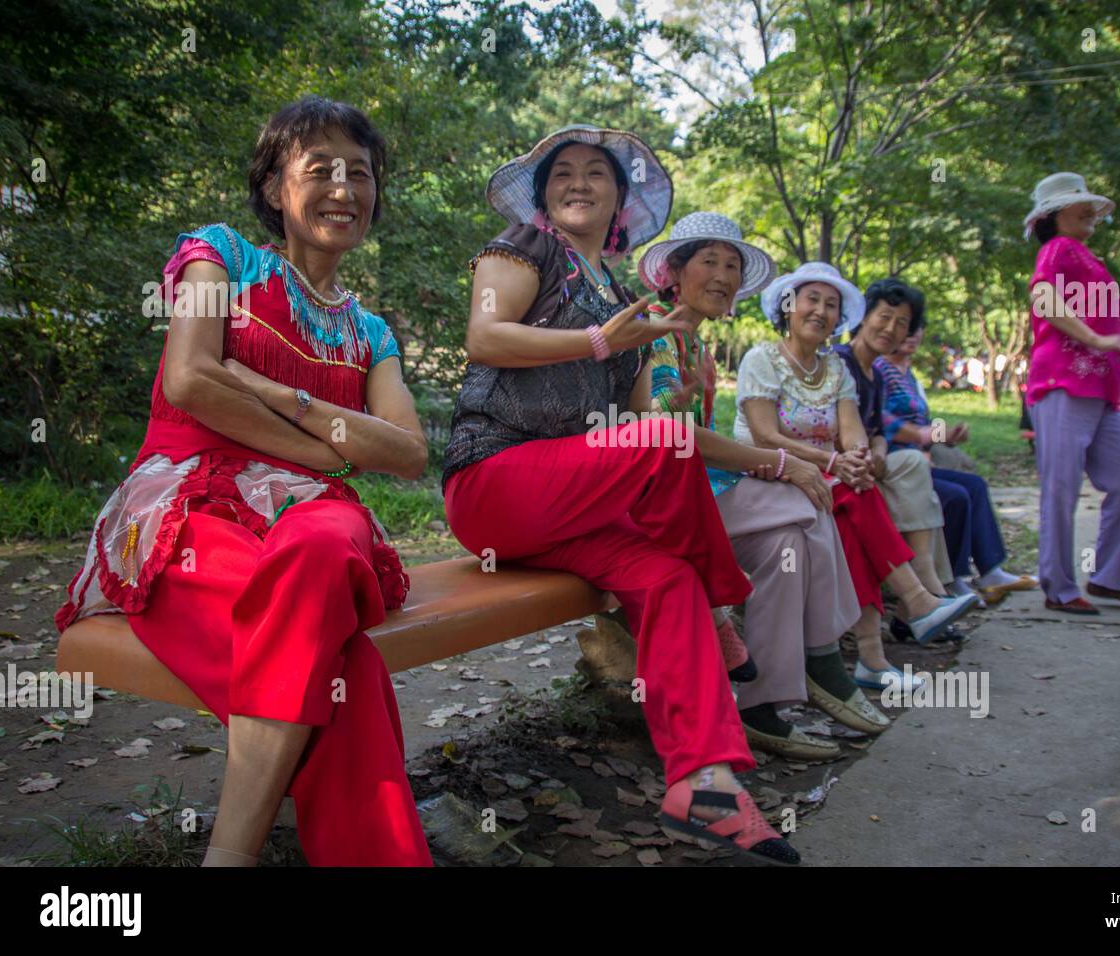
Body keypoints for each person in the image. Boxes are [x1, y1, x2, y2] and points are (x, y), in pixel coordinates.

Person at [56, 97, 433, 866]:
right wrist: (330, 445)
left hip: (311, 512)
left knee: (326, 545)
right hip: (185, 505)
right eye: (318, 168)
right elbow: (191, 379)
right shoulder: (218, 255)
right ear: (273, 187)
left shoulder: (371, 331)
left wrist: (281, 401)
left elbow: (407, 452)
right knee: (345, 667)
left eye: (359, 174)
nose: (343, 188)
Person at [441, 127, 797, 864]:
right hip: (493, 483)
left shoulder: (625, 301)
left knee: (665, 578)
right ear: (542, 196)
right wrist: (602, 342)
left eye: (595, 174)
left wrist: (679, 386)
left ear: (621, 198)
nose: (577, 182)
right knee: (670, 480)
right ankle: (723, 598)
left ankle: (704, 783)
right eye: (562, 173)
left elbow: (650, 426)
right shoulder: (518, 249)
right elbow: (485, 336)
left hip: (569, 502)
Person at [638, 213, 902, 761]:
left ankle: (761, 707)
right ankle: (824, 657)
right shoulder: (655, 330)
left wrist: (801, 462)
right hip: (656, 505)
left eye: (732, 265)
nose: (724, 275)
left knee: (786, 548)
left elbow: (702, 442)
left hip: (703, 496)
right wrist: (784, 464)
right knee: (805, 497)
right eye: (709, 261)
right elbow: (671, 439)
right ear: (674, 271)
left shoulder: (702, 351)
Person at [741, 262, 976, 678]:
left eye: (831, 305)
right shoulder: (761, 359)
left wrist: (859, 458)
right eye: (811, 299)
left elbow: (852, 432)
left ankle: (874, 656)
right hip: (768, 472)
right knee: (852, 494)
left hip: (823, 480)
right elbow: (764, 437)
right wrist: (836, 462)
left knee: (851, 504)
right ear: (789, 306)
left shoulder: (834, 369)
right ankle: (913, 605)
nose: (820, 310)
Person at [1024, 172, 1120, 614]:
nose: (1088, 210)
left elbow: (1113, 318)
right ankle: (1059, 589)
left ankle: (1105, 577)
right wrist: (1098, 341)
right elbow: (1044, 301)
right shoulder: (1058, 249)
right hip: (1061, 381)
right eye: (1076, 203)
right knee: (1061, 488)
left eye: (1088, 203)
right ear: (1052, 215)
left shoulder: (1089, 258)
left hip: (1102, 389)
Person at [874, 301, 1037, 605]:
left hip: (917, 460)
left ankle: (988, 572)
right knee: (955, 495)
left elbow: (921, 424)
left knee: (974, 486)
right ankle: (951, 579)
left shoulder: (909, 376)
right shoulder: (879, 370)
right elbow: (890, 425)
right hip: (895, 464)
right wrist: (938, 435)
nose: (909, 334)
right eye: (900, 326)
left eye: (913, 327)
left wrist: (946, 437)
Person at [834, 280, 958, 602]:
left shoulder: (875, 374)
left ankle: (933, 586)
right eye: (884, 316)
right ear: (863, 316)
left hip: (870, 462)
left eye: (901, 323)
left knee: (925, 481)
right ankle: (928, 588)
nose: (890, 328)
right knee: (925, 482)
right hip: (836, 465)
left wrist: (877, 452)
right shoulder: (839, 362)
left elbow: (877, 432)